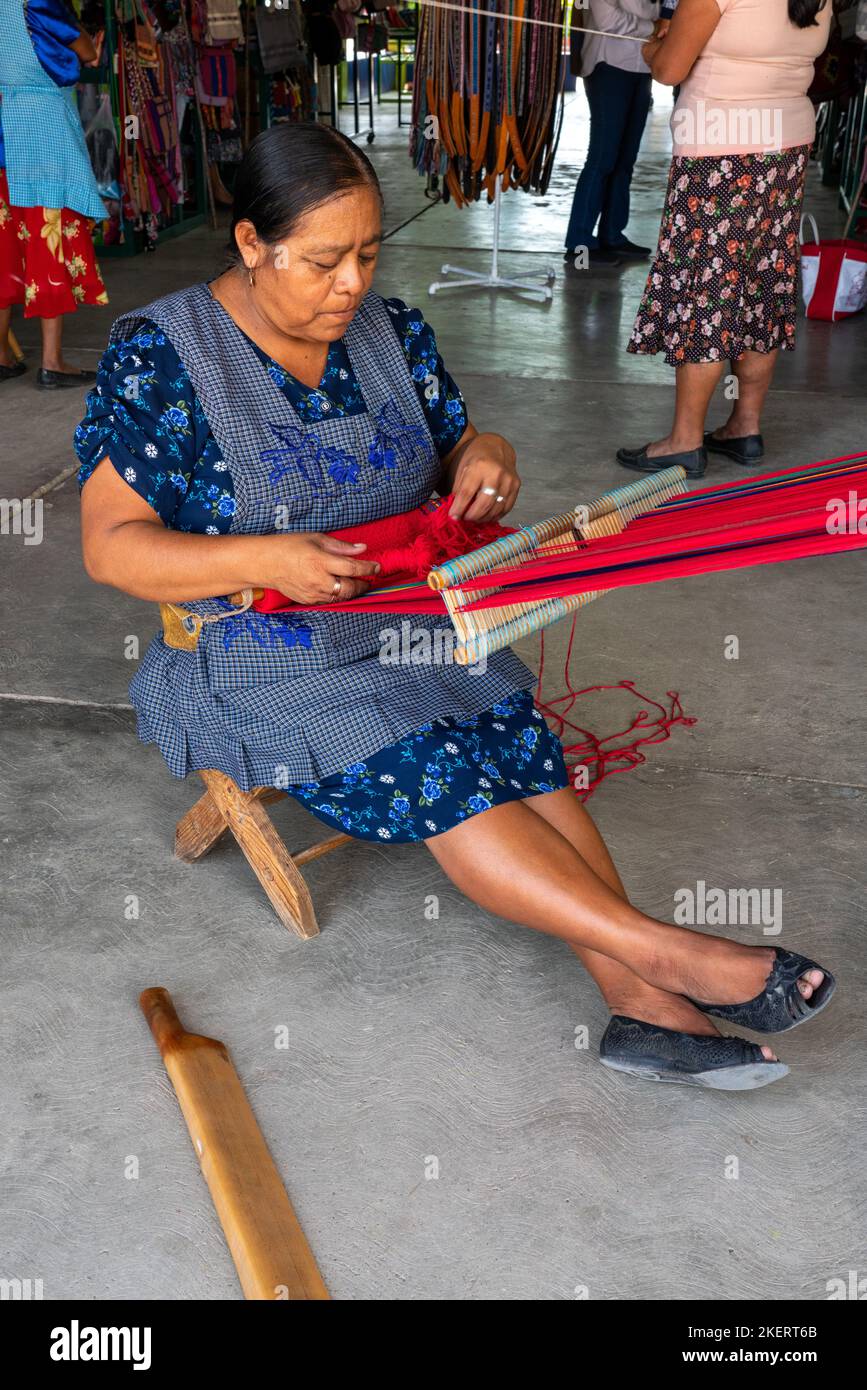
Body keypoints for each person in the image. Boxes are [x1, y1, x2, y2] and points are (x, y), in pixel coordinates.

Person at [77, 123, 833, 1091]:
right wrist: (268, 557)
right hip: (254, 650)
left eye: (367, 253)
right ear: (251, 245)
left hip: (403, 623)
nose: (350, 283)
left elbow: (458, 442)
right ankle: (670, 956)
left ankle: (637, 999)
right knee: (439, 763)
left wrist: (489, 456)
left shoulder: (390, 332)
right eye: (321, 261)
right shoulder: (167, 358)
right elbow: (109, 547)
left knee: (516, 737)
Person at [617, 0, 833, 476]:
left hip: (719, 151)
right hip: (785, 147)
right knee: (759, 284)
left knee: (707, 290)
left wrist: (658, 46)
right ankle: (744, 427)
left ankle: (685, 439)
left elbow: (672, 69)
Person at [0, 0, 108, 388]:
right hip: (39, 132)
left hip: (2, 131)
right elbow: (86, 50)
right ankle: (52, 361)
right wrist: (90, 48)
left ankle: (0, 355)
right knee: (47, 240)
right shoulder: (38, 2)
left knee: (5, 243)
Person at [564, 1, 660, 267]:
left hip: (642, 66)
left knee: (625, 160)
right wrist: (652, 26)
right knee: (603, 158)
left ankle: (612, 235)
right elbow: (608, 20)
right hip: (608, 66)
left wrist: (655, 23)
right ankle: (579, 243)